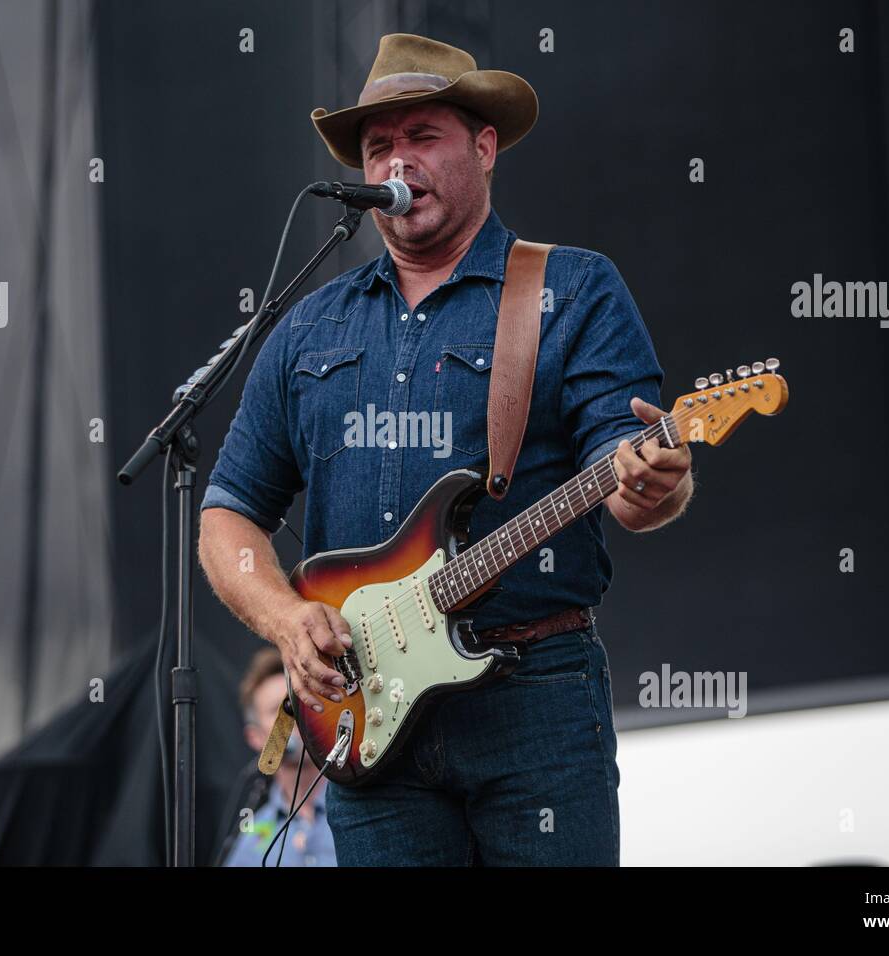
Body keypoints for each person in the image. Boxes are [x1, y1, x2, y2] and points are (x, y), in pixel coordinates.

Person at [199, 33, 692, 866]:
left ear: (484, 146)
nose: (398, 159)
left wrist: (654, 484)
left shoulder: (570, 288)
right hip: (367, 716)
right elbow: (228, 517)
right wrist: (286, 621)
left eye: (422, 136)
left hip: (533, 703)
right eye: (380, 146)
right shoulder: (309, 327)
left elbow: (632, 473)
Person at [221, 647, 337, 867]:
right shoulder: (255, 834)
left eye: (298, 702)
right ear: (255, 737)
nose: (293, 715)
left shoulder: (358, 807)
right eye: (279, 709)